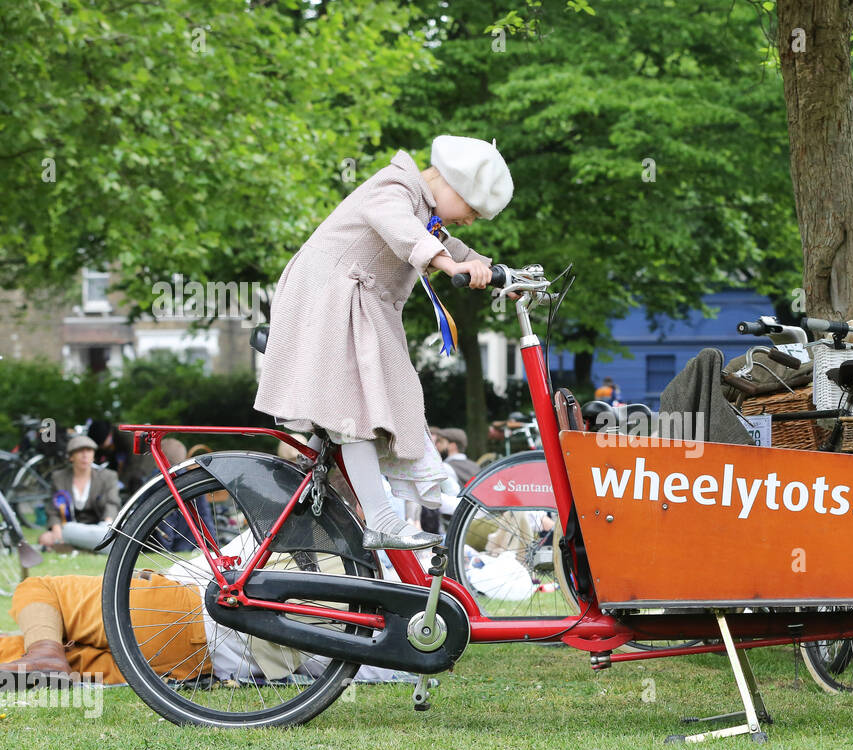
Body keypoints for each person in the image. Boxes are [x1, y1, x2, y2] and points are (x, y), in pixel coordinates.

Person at [253, 135, 513, 552]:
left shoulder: (423, 209)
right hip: (330, 300)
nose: (471, 220)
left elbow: (442, 240)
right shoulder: (395, 186)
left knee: (348, 421)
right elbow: (401, 227)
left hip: (355, 306)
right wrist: (448, 264)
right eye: (472, 209)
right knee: (351, 407)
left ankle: (292, 511)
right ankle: (381, 518)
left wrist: (497, 272)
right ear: (451, 184)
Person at [0, 531, 407, 688]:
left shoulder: (303, 532)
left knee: (41, 588)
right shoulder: (374, 610)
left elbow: (213, 565)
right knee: (67, 658)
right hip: (195, 664)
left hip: (176, 609)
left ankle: (44, 656)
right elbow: (365, 667)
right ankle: (44, 657)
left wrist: (149, 577)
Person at [38, 435, 119, 551]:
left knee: (102, 536)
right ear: (71, 457)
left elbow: (112, 504)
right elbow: (53, 510)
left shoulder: (108, 476)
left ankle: (76, 544)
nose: (85, 455)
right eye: (80, 451)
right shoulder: (59, 477)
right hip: (69, 526)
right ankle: (90, 546)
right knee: (47, 537)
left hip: (99, 527)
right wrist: (57, 531)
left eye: (89, 451)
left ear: (94, 455)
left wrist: (108, 526)